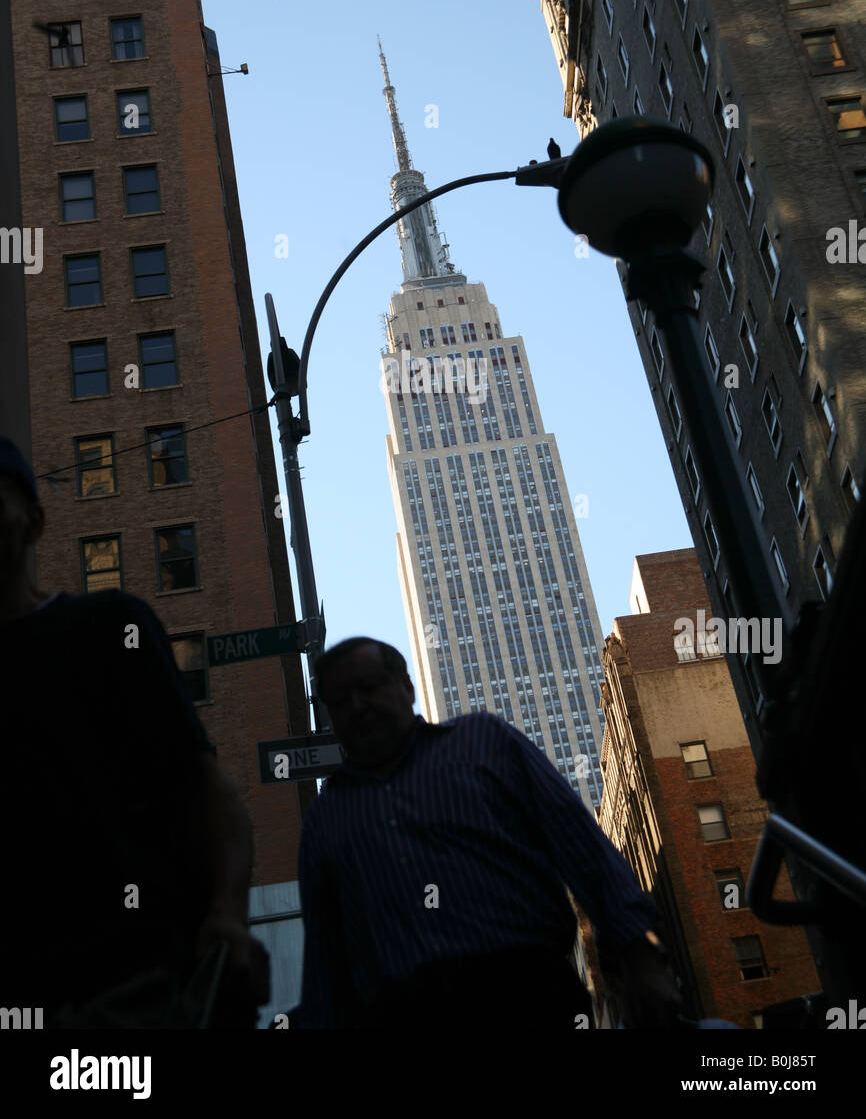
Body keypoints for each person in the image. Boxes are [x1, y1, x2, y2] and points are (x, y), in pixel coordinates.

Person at [0, 437, 269, 1027]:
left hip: (140, 987)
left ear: (35, 521)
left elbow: (207, 788)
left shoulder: (109, 628)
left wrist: (227, 913)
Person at [295, 635, 684, 1029]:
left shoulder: (484, 743)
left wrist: (643, 955)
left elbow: (584, 849)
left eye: (369, 688)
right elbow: (324, 959)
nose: (357, 706)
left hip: (530, 996)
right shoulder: (326, 818)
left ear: (407, 687)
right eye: (341, 701)